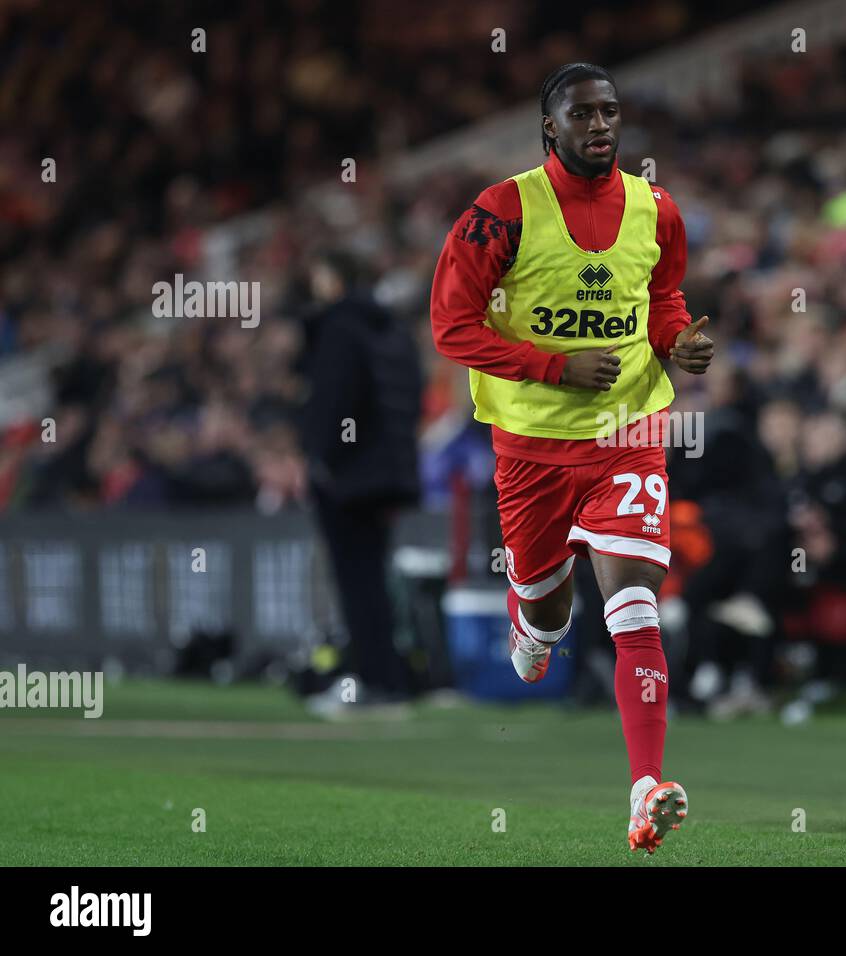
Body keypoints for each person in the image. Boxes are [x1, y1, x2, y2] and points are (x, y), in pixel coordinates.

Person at [429, 63, 713, 853]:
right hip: (531, 451)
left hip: (629, 436)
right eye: (583, 114)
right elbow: (451, 326)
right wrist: (553, 365)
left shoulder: (657, 208)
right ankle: (536, 625)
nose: (601, 125)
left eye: (611, 112)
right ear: (550, 127)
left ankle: (645, 785)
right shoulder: (501, 211)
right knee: (551, 610)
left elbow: (662, 298)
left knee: (634, 604)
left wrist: (678, 342)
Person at [300, 250, 423, 715]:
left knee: (357, 581)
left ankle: (373, 683)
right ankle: (387, 678)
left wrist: (323, 459)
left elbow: (333, 402)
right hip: (388, 474)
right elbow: (406, 398)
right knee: (373, 578)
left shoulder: (339, 328)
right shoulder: (391, 328)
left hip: (349, 478)